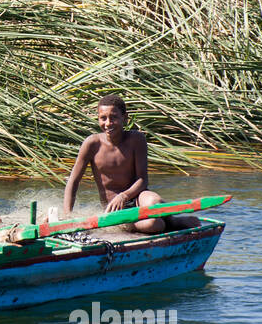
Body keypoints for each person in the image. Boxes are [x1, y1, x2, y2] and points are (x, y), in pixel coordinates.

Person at [61, 94, 199, 234]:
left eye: (114, 117)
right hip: (115, 209)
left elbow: (142, 180)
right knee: (155, 225)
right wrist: (68, 216)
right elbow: (73, 181)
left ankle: (173, 221)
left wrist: (124, 196)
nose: (108, 123)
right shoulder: (92, 144)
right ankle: (129, 225)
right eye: (103, 118)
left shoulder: (136, 139)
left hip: (138, 198)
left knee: (155, 201)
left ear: (125, 118)